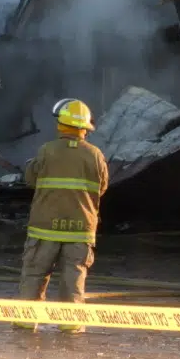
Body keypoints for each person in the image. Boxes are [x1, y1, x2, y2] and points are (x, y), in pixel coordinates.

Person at [15, 98, 109, 335]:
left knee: (35, 274)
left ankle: (27, 321)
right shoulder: (96, 155)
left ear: (61, 125)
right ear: (85, 128)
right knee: (73, 278)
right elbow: (103, 186)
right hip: (80, 230)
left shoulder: (47, 151)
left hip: (44, 229)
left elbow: (30, 179)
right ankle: (70, 323)